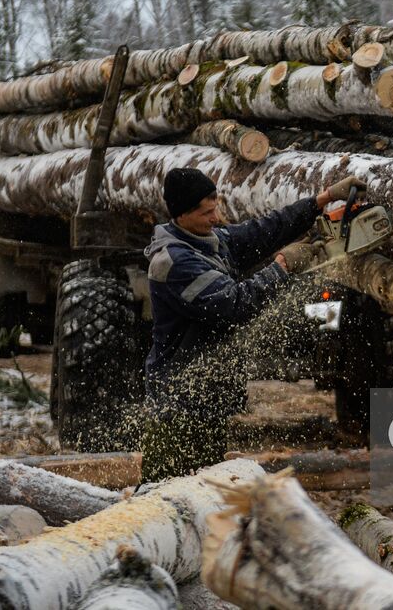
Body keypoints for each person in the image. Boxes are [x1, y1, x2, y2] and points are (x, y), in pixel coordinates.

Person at [140, 167, 351, 482]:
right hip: (179, 403)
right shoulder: (174, 263)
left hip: (207, 399)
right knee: (164, 492)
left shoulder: (209, 240)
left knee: (203, 490)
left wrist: (321, 201)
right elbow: (234, 304)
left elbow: (264, 230)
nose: (215, 218)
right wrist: (281, 267)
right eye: (206, 213)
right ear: (182, 215)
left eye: (216, 209)